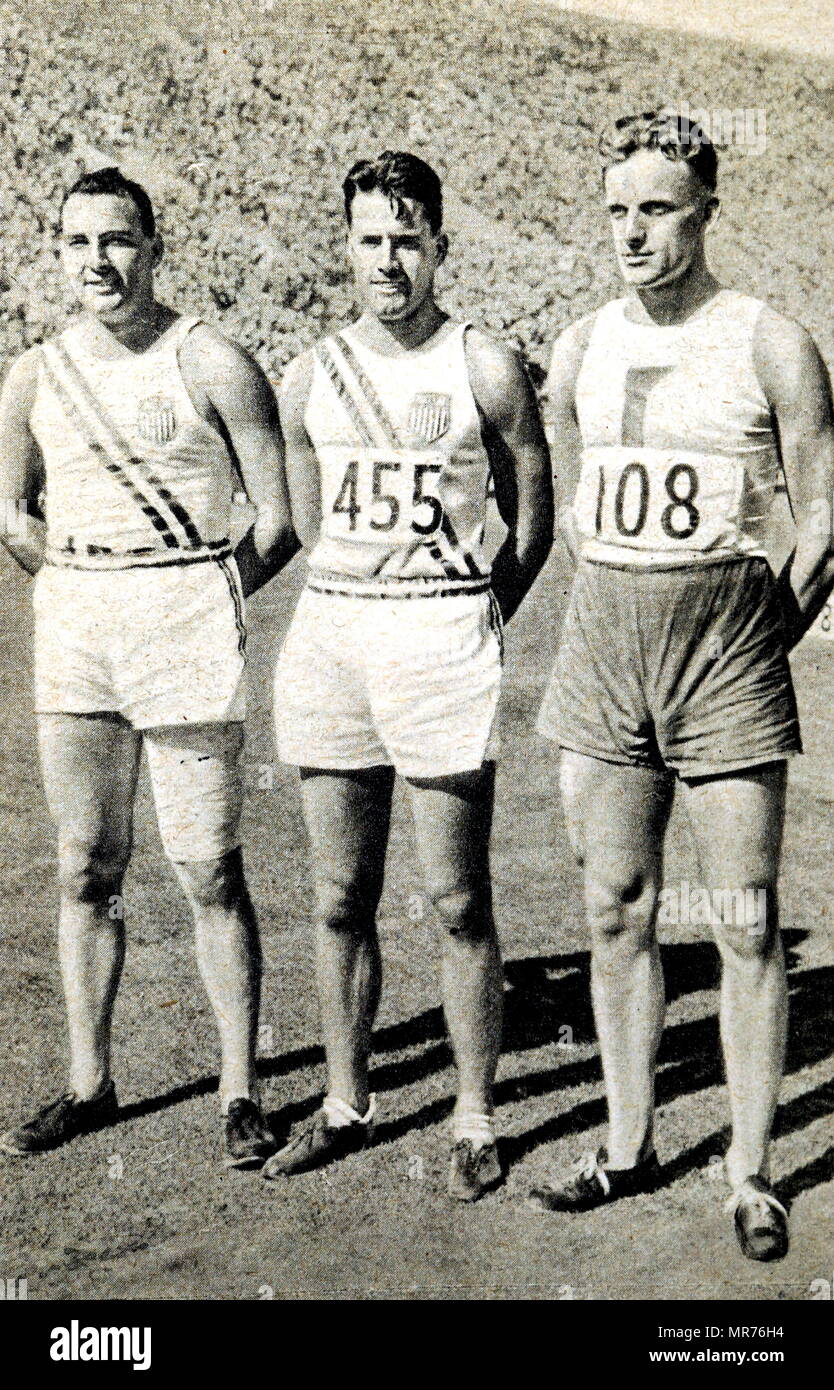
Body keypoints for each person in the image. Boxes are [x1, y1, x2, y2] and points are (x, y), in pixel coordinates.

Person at [528, 112, 834, 1260]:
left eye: (657, 208)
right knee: (616, 909)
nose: (633, 231)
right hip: (609, 647)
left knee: (745, 919)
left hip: (725, 653)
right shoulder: (577, 346)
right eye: (617, 209)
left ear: (707, 209)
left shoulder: (769, 340)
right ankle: (626, 1142)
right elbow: (573, 500)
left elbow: (825, 513)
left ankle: (752, 1171)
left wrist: (770, 634)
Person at [265, 150, 553, 1201]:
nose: (389, 261)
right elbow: (304, 521)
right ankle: (345, 1101)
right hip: (337, 636)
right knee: (340, 893)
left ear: (440, 244)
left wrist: (478, 612)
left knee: (454, 894)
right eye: (369, 240)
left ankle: (475, 1112)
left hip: (440, 639)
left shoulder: (482, 365)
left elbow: (534, 512)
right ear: (346, 246)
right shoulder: (309, 374)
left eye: (407, 238)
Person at [0, 167, 299, 1169]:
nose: (100, 260)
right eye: (80, 242)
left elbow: (281, 516)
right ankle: (90, 1080)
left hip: (185, 627)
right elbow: (11, 511)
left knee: (208, 867)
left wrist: (204, 595)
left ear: (156, 247)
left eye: (120, 240)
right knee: (87, 864)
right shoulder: (35, 372)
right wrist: (79, 576)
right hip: (80, 629)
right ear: (60, 254)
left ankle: (240, 1090)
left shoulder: (210, 359)